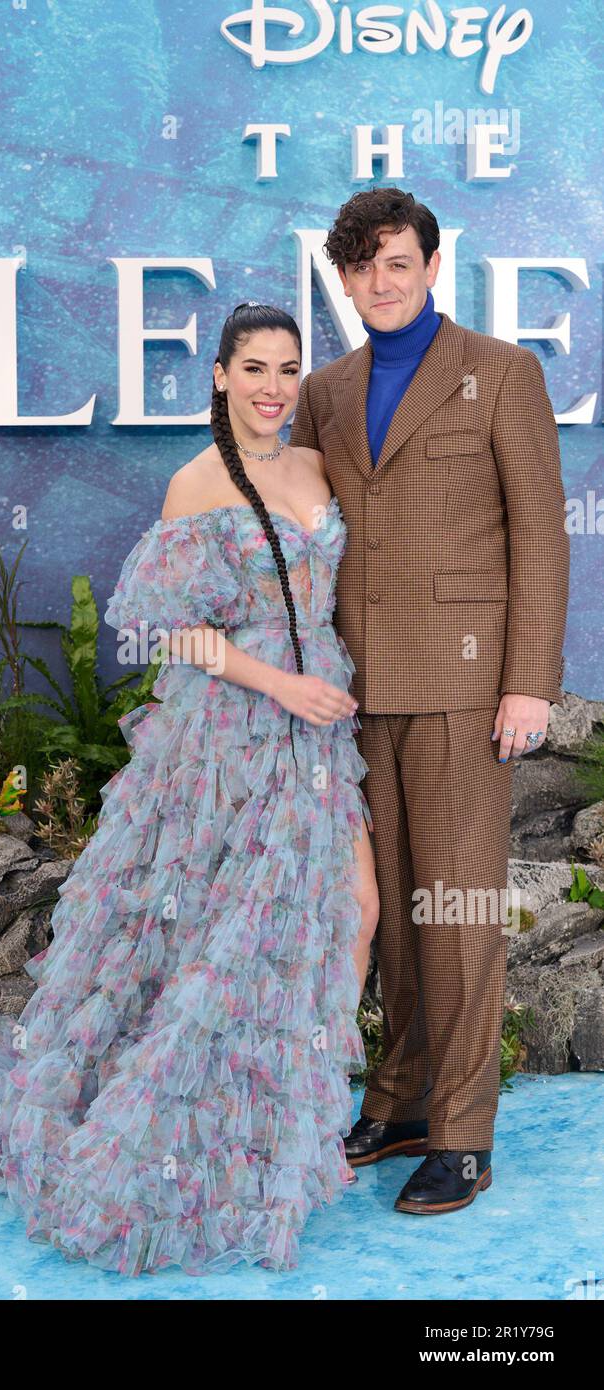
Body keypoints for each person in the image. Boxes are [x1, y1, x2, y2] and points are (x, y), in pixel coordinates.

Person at [0, 301, 379, 1278]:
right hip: (232, 728)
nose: (270, 386)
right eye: (252, 366)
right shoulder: (194, 483)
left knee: (351, 907)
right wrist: (283, 684)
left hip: (316, 735)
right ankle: (220, 1141)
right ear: (217, 375)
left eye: (287, 368)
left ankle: (286, 1110)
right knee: (226, 939)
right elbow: (175, 631)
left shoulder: (314, 468)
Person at [290, 188, 569, 1214]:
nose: (381, 282)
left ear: (431, 265)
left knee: (454, 916)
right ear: (345, 278)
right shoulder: (324, 389)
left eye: (397, 262)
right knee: (392, 917)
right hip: (353, 693)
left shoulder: (500, 372)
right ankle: (399, 1097)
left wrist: (525, 682)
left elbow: (539, 536)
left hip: (461, 690)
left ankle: (460, 1133)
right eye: (362, 267)